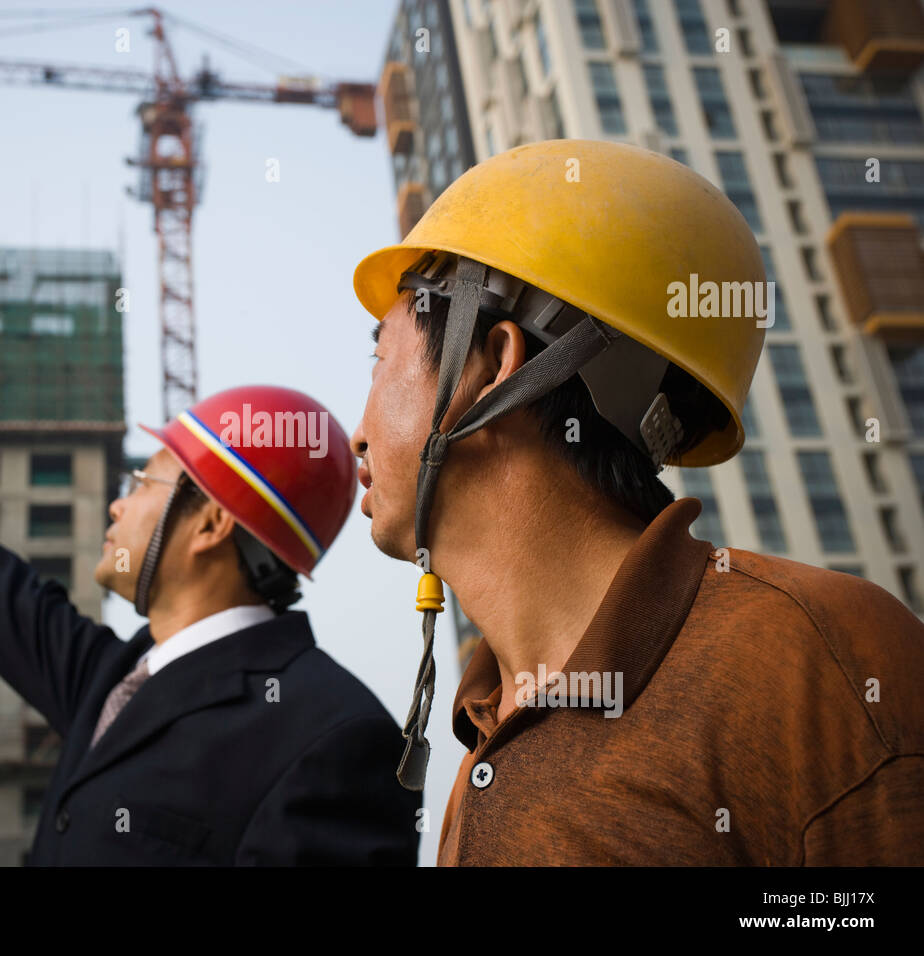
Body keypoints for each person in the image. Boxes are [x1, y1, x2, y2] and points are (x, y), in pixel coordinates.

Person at [348, 138, 924, 865]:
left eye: (379, 360)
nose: (356, 435)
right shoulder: (482, 744)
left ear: (492, 362)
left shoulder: (820, 666)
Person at [0, 385, 421, 865]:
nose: (119, 501)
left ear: (210, 524)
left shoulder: (331, 736)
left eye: (144, 480)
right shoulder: (114, 684)